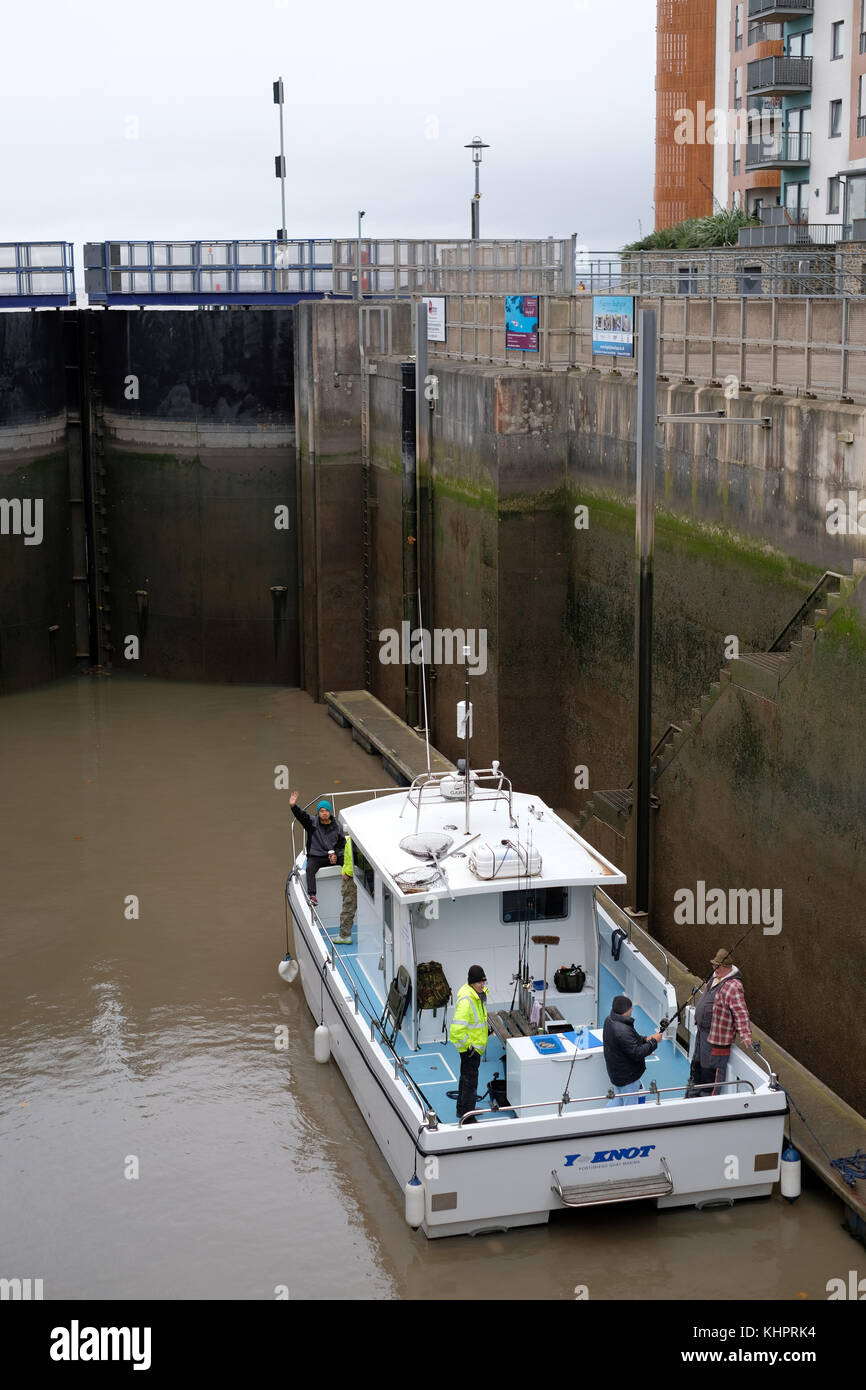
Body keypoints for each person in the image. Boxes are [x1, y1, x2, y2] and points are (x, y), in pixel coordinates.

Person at [689, 948, 753, 1096]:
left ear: (727, 968)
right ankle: (692, 1097)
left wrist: (745, 1035)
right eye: (714, 965)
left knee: (710, 1071)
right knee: (697, 1066)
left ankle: (707, 1103)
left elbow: (741, 1012)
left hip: (717, 1039)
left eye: (718, 966)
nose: (714, 968)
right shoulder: (714, 978)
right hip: (702, 1032)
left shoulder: (734, 986)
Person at [602, 995, 662, 1106]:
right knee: (630, 1106)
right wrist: (654, 1042)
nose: (632, 1009)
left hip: (616, 1073)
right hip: (627, 1077)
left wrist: (645, 1039)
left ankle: (605, 1118)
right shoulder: (623, 1031)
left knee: (619, 1099)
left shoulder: (609, 1020)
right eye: (630, 1008)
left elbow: (631, 1040)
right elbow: (637, 1053)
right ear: (626, 1011)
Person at [449, 965, 490, 1123]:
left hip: (474, 1048)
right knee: (470, 1083)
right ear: (472, 983)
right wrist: (469, 1047)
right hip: (471, 1050)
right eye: (479, 982)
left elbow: (478, 1020)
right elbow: (456, 1031)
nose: (482, 984)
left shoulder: (478, 995)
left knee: (465, 1079)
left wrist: (486, 1031)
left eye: (484, 981)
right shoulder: (467, 1001)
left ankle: (463, 1110)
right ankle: (468, 1117)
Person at [289, 791, 345, 906]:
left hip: (331, 857)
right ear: (318, 813)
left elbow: (341, 845)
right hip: (316, 856)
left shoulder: (337, 827)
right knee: (310, 868)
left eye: (326, 811)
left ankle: (360, 887)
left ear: (330, 812)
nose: (324, 813)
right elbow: (302, 816)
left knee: (347, 860)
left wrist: (336, 855)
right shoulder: (312, 823)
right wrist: (293, 806)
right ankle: (312, 896)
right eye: (321, 811)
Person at [335, 835, 356, 945]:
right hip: (354, 876)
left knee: (348, 907)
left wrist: (348, 873)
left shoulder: (353, 840)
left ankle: (344, 936)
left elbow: (353, 859)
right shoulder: (352, 838)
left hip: (351, 879)